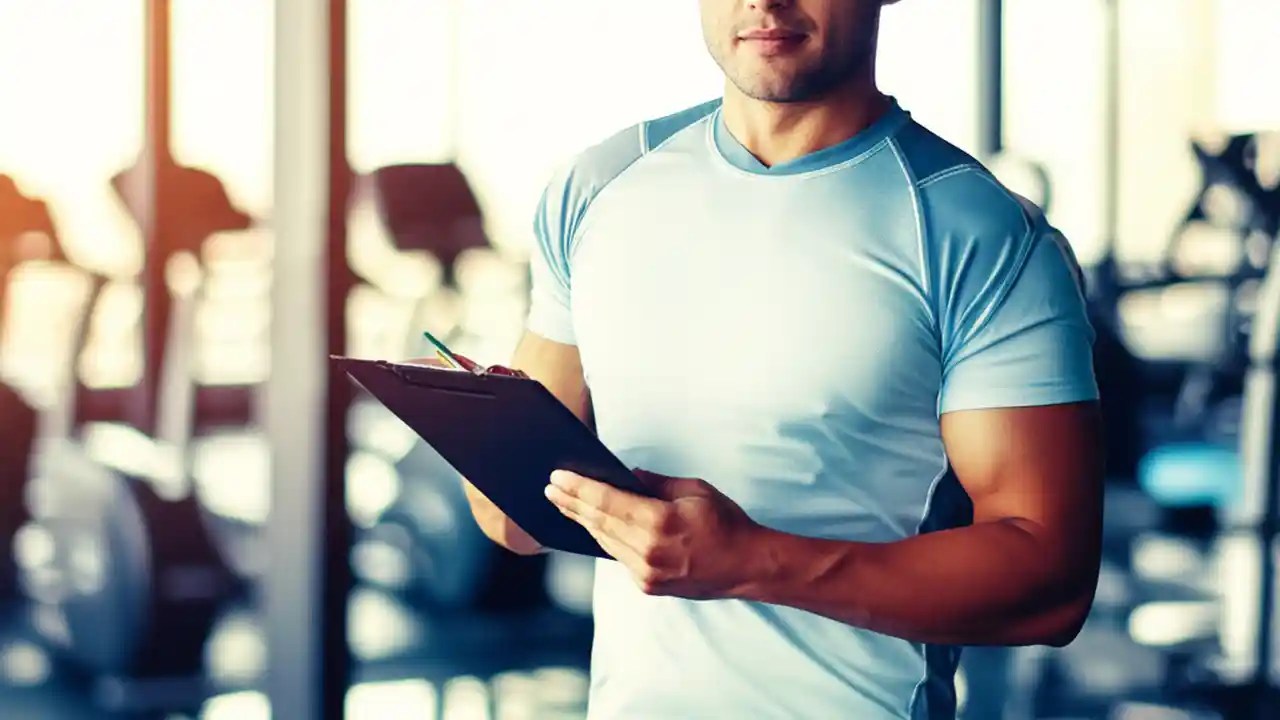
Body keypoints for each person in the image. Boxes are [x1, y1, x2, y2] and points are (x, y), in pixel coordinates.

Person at [463, 1, 1104, 717]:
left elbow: (1052, 582)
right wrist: (483, 435)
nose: (765, 2)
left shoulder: (979, 232)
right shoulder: (595, 190)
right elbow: (513, 523)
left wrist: (749, 562)